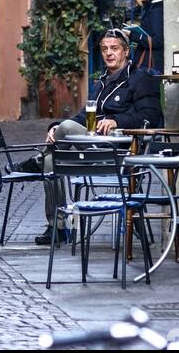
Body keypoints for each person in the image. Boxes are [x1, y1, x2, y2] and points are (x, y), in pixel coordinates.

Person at [13, 29, 164, 244]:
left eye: (114, 48)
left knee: (62, 133)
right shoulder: (100, 82)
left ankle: (34, 162)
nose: (108, 53)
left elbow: (150, 115)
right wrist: (55, 127)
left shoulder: (140, 78)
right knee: (51, 159)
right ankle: (58, 227)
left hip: (119, 150)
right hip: (93, 147)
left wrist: (117, 121)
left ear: (126, 51)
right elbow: (84, 117)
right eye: (104, 49)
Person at [129, 0, 164, 73]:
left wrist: (133, 35)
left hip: (152, 66)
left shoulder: (156, 11)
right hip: (152, 64)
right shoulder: (153, 9)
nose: (136, 3)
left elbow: (157, 41)